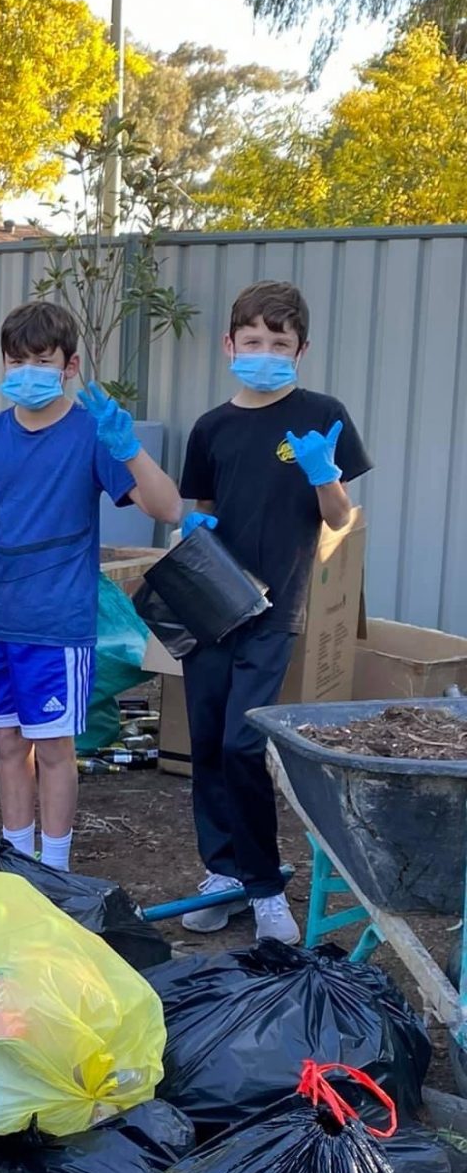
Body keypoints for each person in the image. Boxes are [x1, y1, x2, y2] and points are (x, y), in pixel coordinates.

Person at [0, 302, 182, 871]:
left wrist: (129, 449)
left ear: (70, 365)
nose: (28, 372)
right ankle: (17, 859)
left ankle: (56, 868)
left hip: (58, 627)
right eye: (16, 360)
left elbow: (166, 507)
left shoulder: (92, 435)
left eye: (41, 361)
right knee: (5, 745)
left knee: (53, 749)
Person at [176, 278, 371, 943]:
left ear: (301, 348)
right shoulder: (211, 428)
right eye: (252, 341)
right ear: (229, 344)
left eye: (278, 343)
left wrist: (324, 474)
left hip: (275, 610)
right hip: (211, 609)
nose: (264, 351)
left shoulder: (321, 415)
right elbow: (198, 510)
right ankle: (221, 873)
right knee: (206, 742)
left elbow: (341, 521)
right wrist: (189, 530)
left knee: (241, 743)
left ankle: (263, 890)